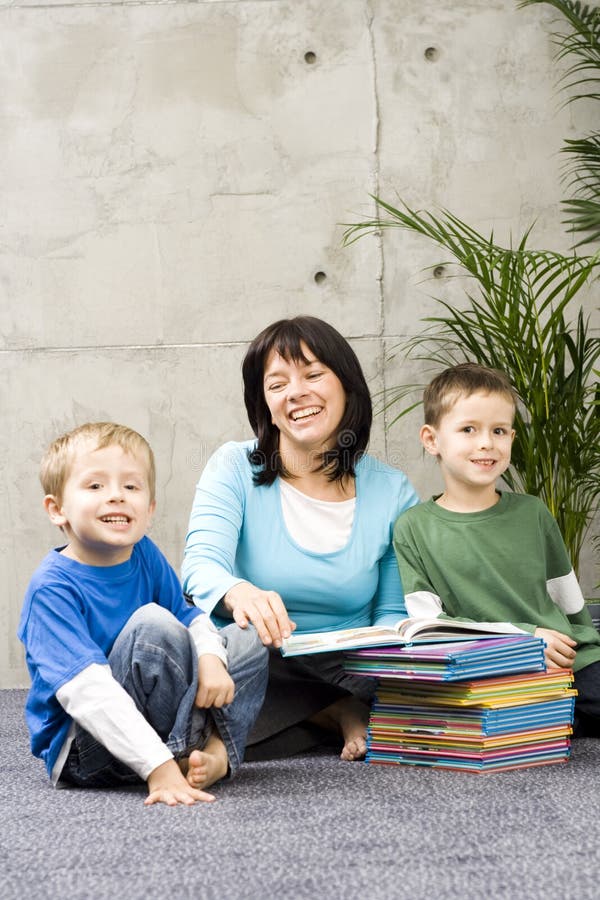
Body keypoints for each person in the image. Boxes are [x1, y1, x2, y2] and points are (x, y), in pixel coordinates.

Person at [182, 316, 419, 761]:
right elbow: (199, 568)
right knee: (200, 655)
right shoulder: (234, 466)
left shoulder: (393, 490)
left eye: (313, 374)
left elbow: (391, 614)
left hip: (348, 666)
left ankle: (303, 717)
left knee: (400, 681)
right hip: (256, 658)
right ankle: (330, 714)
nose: (296, 393)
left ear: (346, 385)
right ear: (264, 403)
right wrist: (239, 591)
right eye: (277, 384)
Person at [18, 422, 268, 806]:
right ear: (57, 510)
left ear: (149, 509)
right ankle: (180, 755)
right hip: (89, 749)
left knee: (245, 635)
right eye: (95, 486)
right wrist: (158, 767)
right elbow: (89, 695)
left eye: (131, 487)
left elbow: (190, 617)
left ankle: (216, 752)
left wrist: (211, 658)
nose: (116, 497)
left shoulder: (144, 553)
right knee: (151, 625)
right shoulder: (51, 590)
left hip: (164, 720)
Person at [393, 362, 600, 736]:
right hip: (492, 667)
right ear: (431, 439)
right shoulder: (413, 528)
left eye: (499, 430)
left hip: (567, 662)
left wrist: (586, 650)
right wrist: (526, 636)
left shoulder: (533, 512)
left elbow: (568, 600)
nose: (486, 442)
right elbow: (430, 626)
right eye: (468, 429)